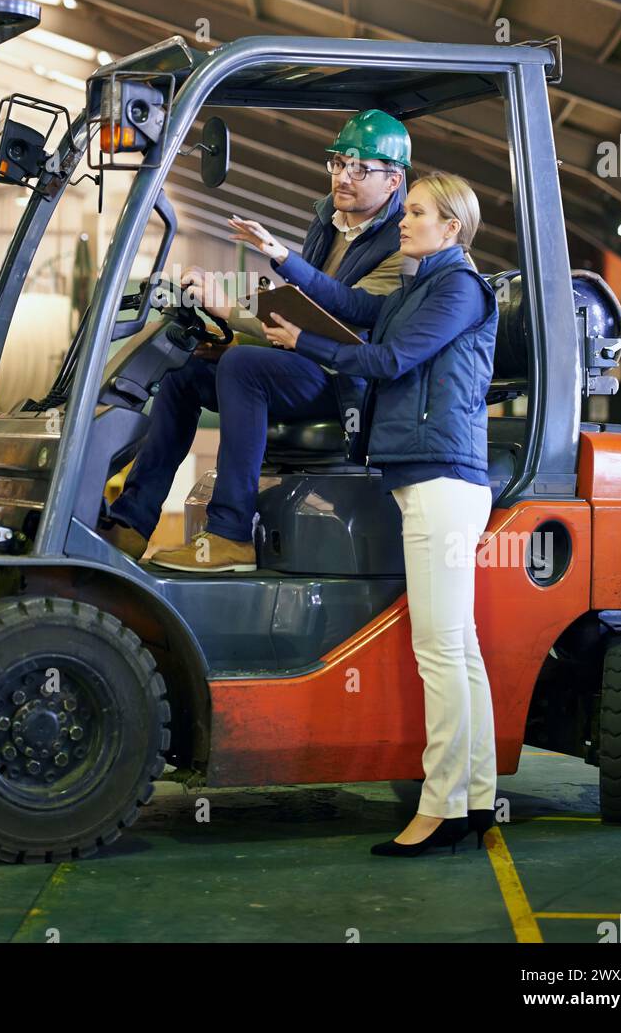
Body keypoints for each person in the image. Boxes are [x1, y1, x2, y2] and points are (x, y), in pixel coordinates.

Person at [259, 172, 499, 857]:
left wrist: (302, 347)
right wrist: (283, 256)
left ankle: (442, 806)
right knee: (461, 648)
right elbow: (348, 305)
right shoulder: (418, 287)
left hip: (443, 480)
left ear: (452, 228)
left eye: (418, 212)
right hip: (429, 478)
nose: (405, 221)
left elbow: (390, 361)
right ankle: (477, 798)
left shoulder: (458, 288)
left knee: (440, 649)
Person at [100, 109, 417, 571]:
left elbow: (343, 315)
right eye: (337, 163)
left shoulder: (401, 247)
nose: (343, 177)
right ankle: (131, 522)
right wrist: (231, 334)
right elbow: (297, 314)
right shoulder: (328, 221)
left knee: (243, 368)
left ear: (393, 181)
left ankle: (230, 535)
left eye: (360, 168)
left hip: (347, 380)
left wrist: (236, 307)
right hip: (303, 362)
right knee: (185, 369)